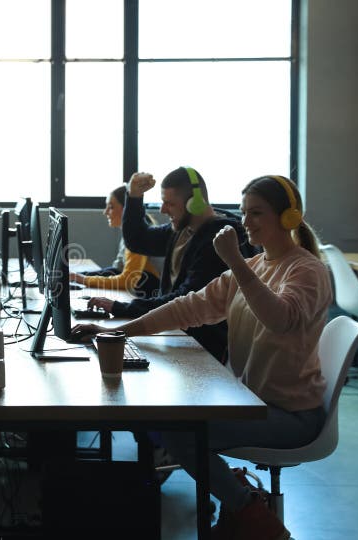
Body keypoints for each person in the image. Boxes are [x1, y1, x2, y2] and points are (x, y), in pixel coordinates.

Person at [71, 175, 331, 540]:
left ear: (288, 217)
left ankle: (252, 517)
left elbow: (280, 319)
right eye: (243, 213)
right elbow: (187, 308)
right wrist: (118, 332)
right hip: (251, 402)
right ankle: (244, 501)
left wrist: (236, 263)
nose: (246, 222)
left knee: (178, 428)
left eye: (256, 213)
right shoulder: (256, 266)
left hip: (291, 414)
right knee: (165, 421)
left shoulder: (306, 270)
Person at [87, 167, 253, 362]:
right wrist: (133, 196)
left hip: (203, 350)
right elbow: (138, 239)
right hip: (178, 336)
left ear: (195, 203)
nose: (162, 210)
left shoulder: (216, 241)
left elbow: (184, 298)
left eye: (170, 204)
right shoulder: (181, 230)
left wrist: (123, 308)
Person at [69, 185, 160, 297]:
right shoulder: (131, 231)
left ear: (127, 209)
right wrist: (78, 276)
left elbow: (127, 280)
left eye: (111, 207)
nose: (105, 212)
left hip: (147, 298)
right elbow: (117, 270)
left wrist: (83, 279)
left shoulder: (138, 235)